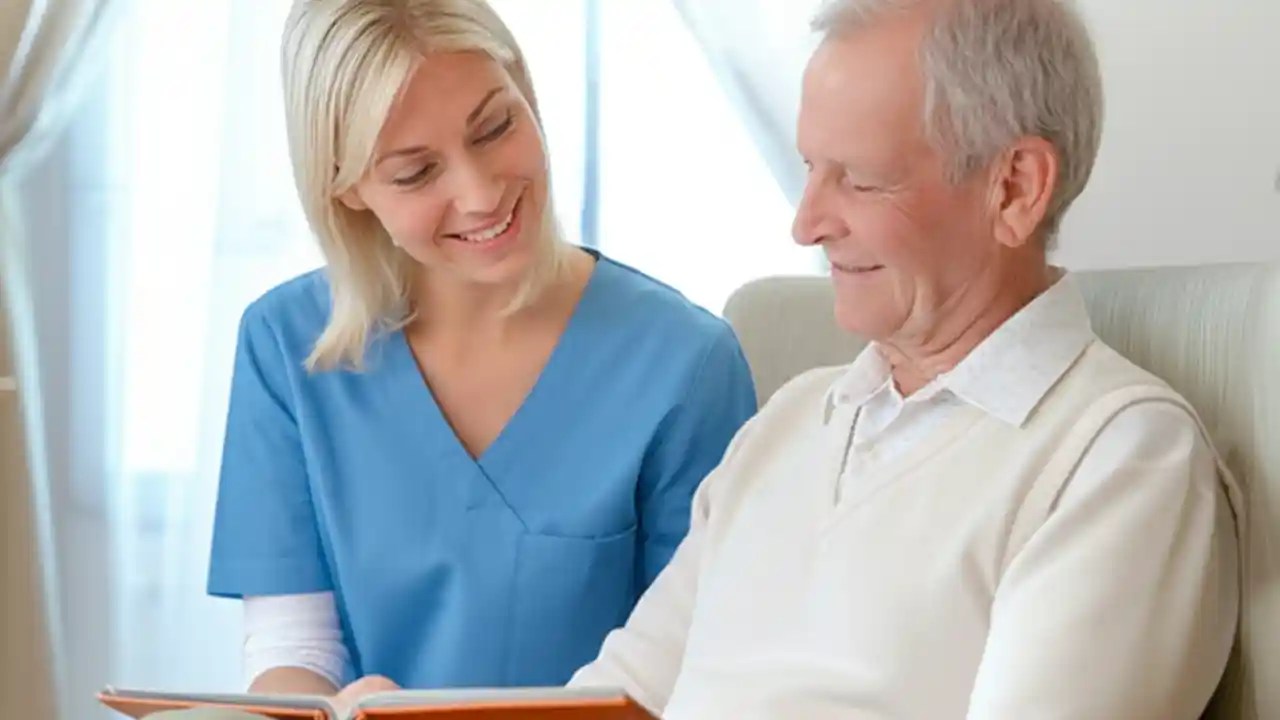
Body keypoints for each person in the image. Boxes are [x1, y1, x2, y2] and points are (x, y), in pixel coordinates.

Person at [569, 0, 1241, 717]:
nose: (806, 224)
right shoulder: (791, 422)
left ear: (1014, 188)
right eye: (810, 169)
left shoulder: (1118, 459)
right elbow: (616, 701)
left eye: (859, 179)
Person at [205, 0, 757, 704]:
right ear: (345, 189)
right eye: (414, 173)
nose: (480, 193)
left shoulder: (686, 363)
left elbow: (707, 670)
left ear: (526, 93)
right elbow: (293, 651)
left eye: (495, 127)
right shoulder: (286, 349)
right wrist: (335, 707)